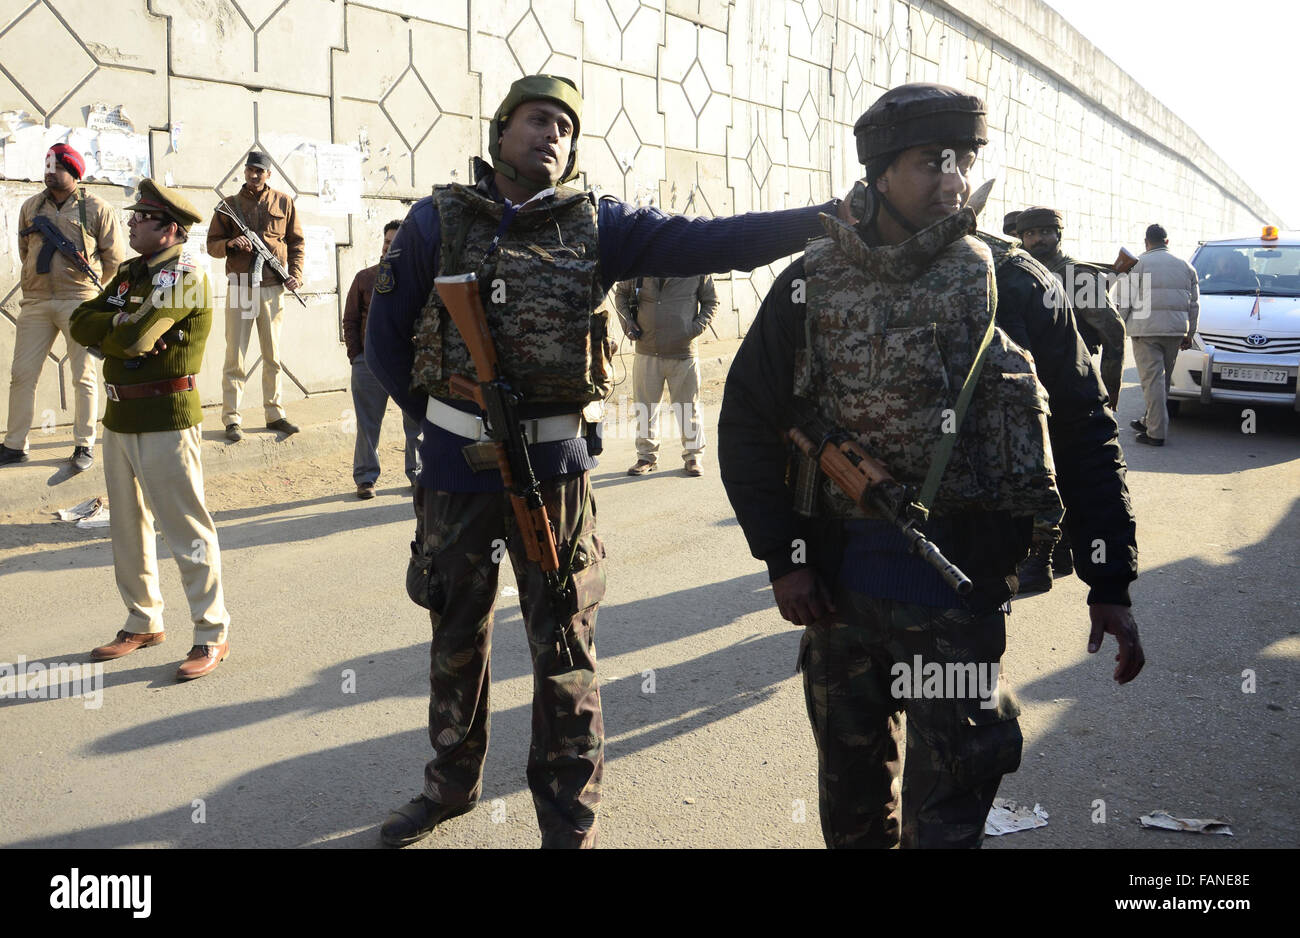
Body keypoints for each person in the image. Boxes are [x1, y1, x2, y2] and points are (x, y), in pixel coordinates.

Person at [366, 73, 850, 849]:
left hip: (553, 475)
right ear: (499, 134)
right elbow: (385, 340)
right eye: (535, 120)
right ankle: (449, 784)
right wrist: (446, 422)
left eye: (564, 125)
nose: (550, 134)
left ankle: (569, 817)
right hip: (457, 473)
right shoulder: (437, 222)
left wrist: (821, 220)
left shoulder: (600, 224)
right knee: (455, 634)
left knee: (564, 645)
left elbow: (709, 241)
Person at [718, 83, 1144, 849]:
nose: (954, 179)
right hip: (837, 601)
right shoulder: (809, 282)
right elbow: (748, 420)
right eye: (930, 162)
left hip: (959, 599)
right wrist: (785, 558)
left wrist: (1109, 577)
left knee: (947, 814)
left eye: (965, 160)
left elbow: (1086, 425)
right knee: (851, 811)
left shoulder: (1009, 282)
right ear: (881, 174)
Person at [70, 180, 231, 681]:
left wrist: (119, 329)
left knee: (187, 530)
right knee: (127, 527)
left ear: (170, 229)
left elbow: (138, 337)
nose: (131, 223)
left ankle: (211, 631)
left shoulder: (185, 276)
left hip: (166, 416)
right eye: (133, 215)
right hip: (120, 418)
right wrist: (119, 327)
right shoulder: (131, 273)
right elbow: (79, 320)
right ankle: (143, 620)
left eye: (141, 217)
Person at [2, 144, 125, 471]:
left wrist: (94, 298)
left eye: (55, 166)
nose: (48, 172)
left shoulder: (96, 208)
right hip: (37, 302)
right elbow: (24, 250)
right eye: (46, 165)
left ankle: (84, 443)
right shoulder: (31, 207)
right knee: (21, 374)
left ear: (73, 172)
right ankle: (15, 444)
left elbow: (114, 260)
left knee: (83, 375)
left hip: (80, 301)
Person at [206, 149, 305, 442]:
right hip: (239, 285)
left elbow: (297, 242)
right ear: (245, 171)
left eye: (259, 171)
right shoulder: (229, 205)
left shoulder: (284, 202)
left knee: (272, 355)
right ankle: (232, 418)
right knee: (234, 355)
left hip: (273, 286)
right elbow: (212, 245)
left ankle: (274, 414)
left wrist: (296, 274)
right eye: (250, 170)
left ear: (268, 174)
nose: (254, 175)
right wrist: (231, 244)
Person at [1016, 206, 1127, 411]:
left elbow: (1113, 330)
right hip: (1033, 379)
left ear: (1059, 235)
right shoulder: (1024, 272)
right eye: (1030, 234)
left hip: (1070, 380)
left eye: (1045, 232)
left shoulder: (1076, 275)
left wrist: (1110, 384)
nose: (1037, 239)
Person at [344, 220, 422, 498]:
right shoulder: (365, 278)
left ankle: (418, 474)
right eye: (386, 242)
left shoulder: (417, 280)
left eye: (396, 243)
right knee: (368, 424)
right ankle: (366, 478)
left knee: (415, 421)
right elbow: (350, 320)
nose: (390, 247)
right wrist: (357, 357)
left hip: (407, 361)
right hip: (369, 363)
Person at [612, 274, 718, 476]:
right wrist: (628, 322)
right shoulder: (641, 265)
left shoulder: (696, 267)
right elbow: (621, 294)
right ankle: (646, 457)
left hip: (683, 352)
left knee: (688, 407)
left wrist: (694, 328)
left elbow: (711, 302)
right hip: (647, 350)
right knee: (645, 408)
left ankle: (693, 456)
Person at [1114, 223, 1199, 447]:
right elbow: (1194, 304)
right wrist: (1190, 332)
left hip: (1146, 331)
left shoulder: (1138, 264)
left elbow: (1125, 299)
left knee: (1152, 382)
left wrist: (1117, 327)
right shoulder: (1187, 267)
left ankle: (1156, 433)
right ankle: (1148, 420)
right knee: (1161, 382)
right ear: (1167, 241)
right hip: (1175, 331)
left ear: (1146, 242)